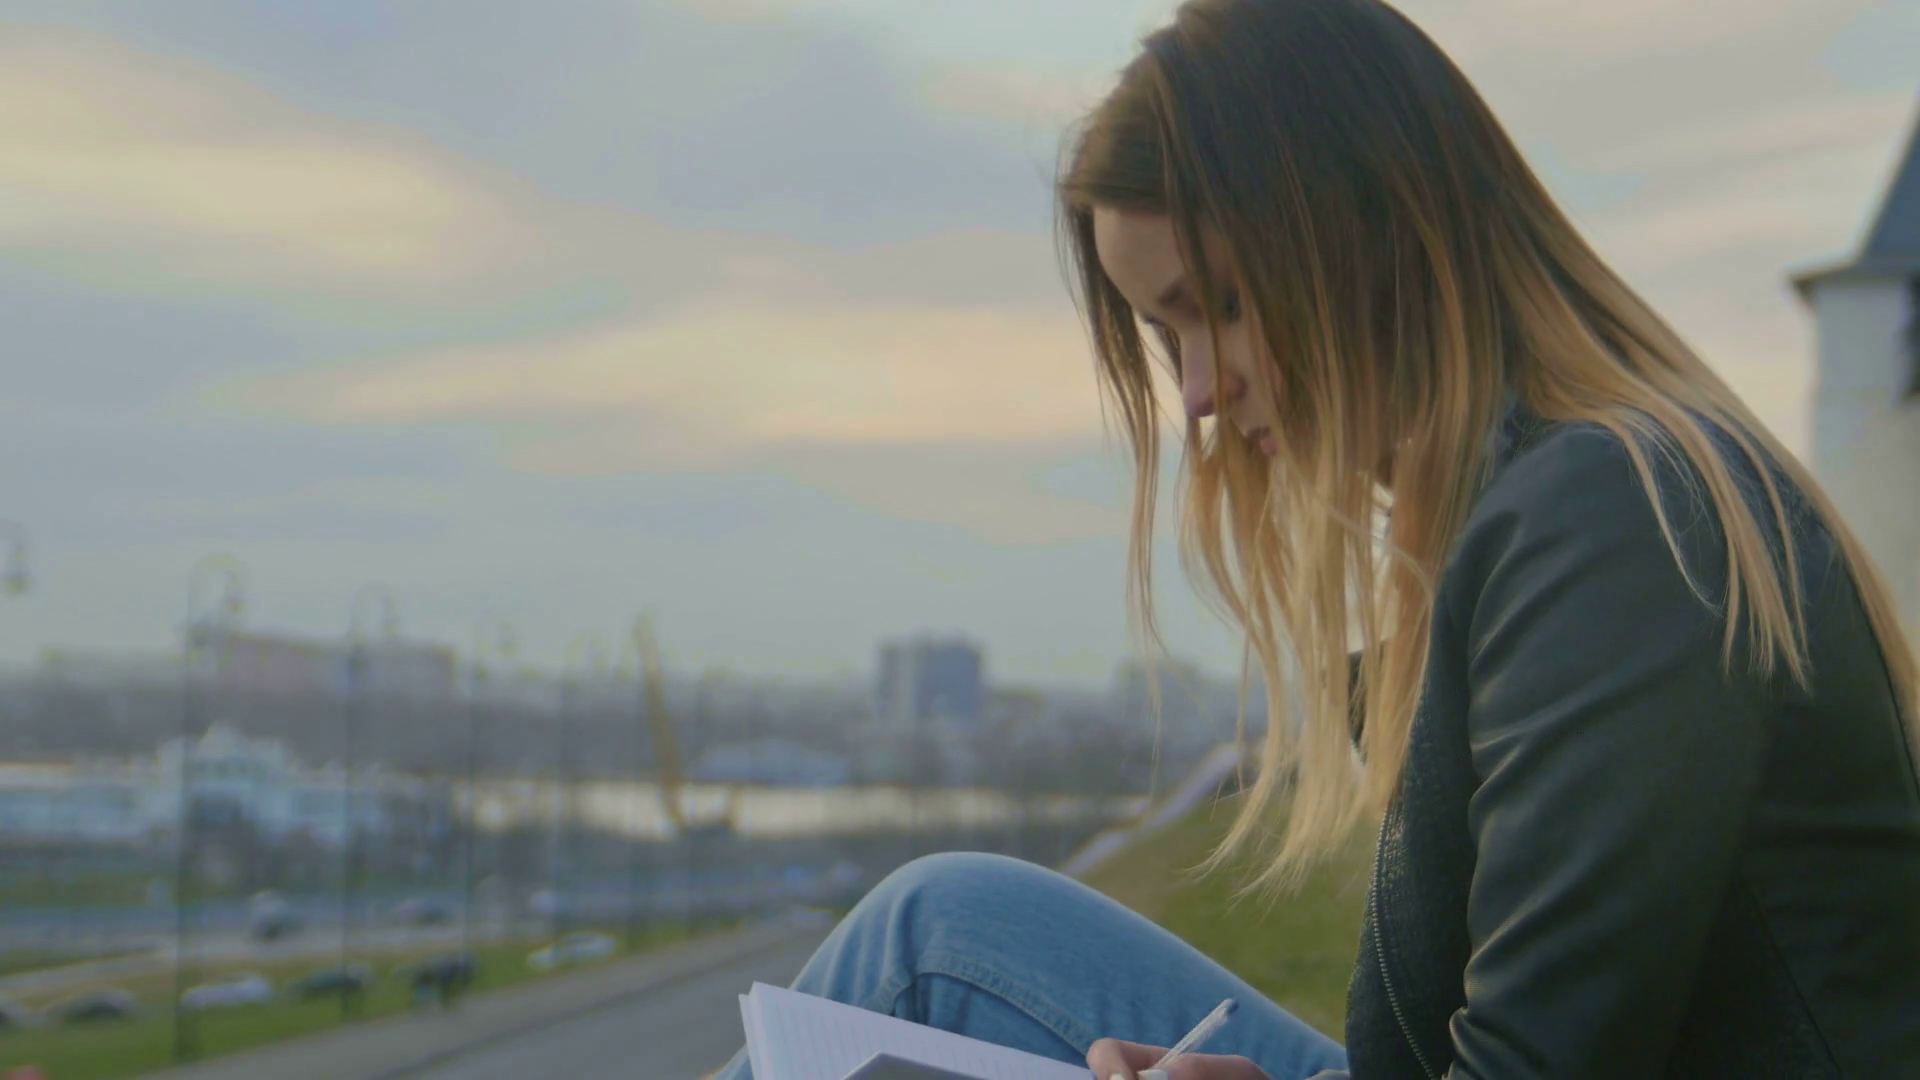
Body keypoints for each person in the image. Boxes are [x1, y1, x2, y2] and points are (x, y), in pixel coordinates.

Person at [714, 0, 1920, 1076]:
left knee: (923, 962)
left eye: (1223, 307)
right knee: (946, 932)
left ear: (1383, 231)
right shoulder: (1564, 504)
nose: (1192, 393)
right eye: (1163, 335)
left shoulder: (1615, 526)